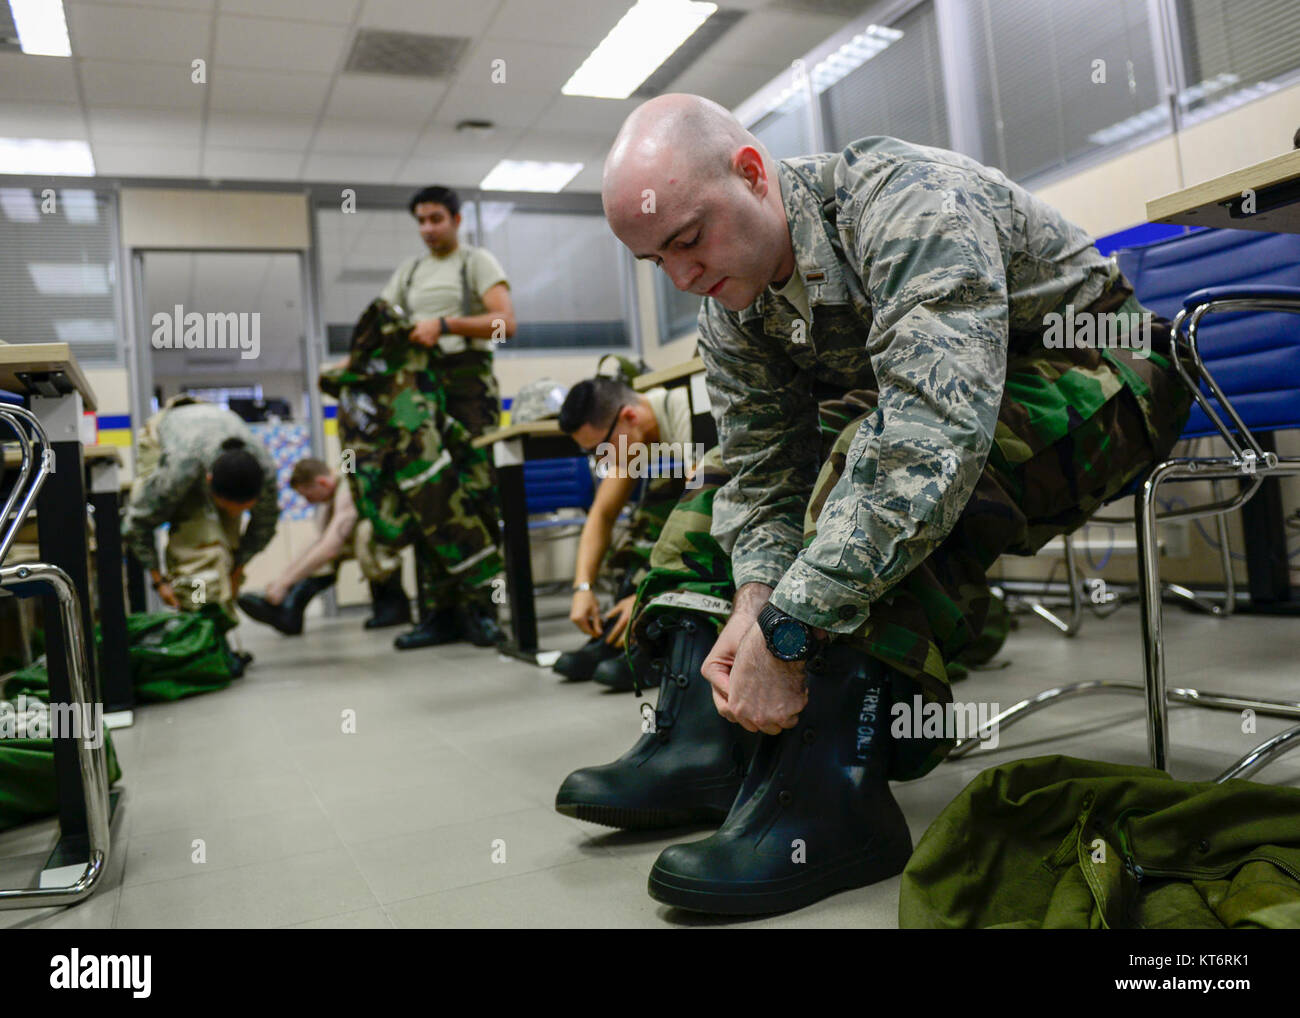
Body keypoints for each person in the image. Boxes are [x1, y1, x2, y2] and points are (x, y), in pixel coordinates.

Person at [556, 94, 1193, 916]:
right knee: (718, 483)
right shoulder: (730, 303)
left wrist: (790, 629)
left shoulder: (909, 201)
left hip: (1106, 370)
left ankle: (833, 793)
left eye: (687, 239)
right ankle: (705, 741)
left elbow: (931, 441)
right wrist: (753, 604)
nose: (682, 276)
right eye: (656, 261)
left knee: (878, 470)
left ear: (751, 174)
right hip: (946, 398)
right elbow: (761, 471)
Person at [375, 185, 516, 649]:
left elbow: (505, 324)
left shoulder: (476, 262)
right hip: (420, 389)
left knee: (475, 492)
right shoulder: (410, 273)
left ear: (456, 219)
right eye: (421, 220)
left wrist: (446, 324)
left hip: (468, 386)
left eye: (436, 218)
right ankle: (437, 614)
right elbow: (383, 322)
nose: (427, 228)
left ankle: (483, 610)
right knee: (426, 493)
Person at [553, 375, 695, 690]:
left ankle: (660, 636)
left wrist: (649, 596)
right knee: (648, 521)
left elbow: (705, 521)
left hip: (747, 515)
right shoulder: (630, 434)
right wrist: (583, 588)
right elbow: (602, 514)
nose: (600, 460)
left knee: (681, 513)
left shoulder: (691, 416)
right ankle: (619, 634)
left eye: (600, 449)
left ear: (629, 416)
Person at [123, 396, 280, 636]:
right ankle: (197, 623)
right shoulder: (178, 473)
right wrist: (159, 581)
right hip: (166, 434)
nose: (235, 514)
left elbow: (264, 527)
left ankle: (218, 629)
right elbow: (137, 523)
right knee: (197, 546)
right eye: (227, 507)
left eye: (243, 509)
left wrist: (237, 569)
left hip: (209, 434)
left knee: (225, 547)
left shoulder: (264, 472)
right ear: (208, 483)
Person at [236, 457, 410, 635]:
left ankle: (394, 605)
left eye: (308, 495)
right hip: (386, 525)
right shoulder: (335, 484)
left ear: (322, 483)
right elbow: (320, 542)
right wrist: (281, 580)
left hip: (401, 523)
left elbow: (330, 548)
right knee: (317, 549)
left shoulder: (347, 486)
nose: (309, 501)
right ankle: (291, 610)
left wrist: (283, 583)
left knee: (365, 533)